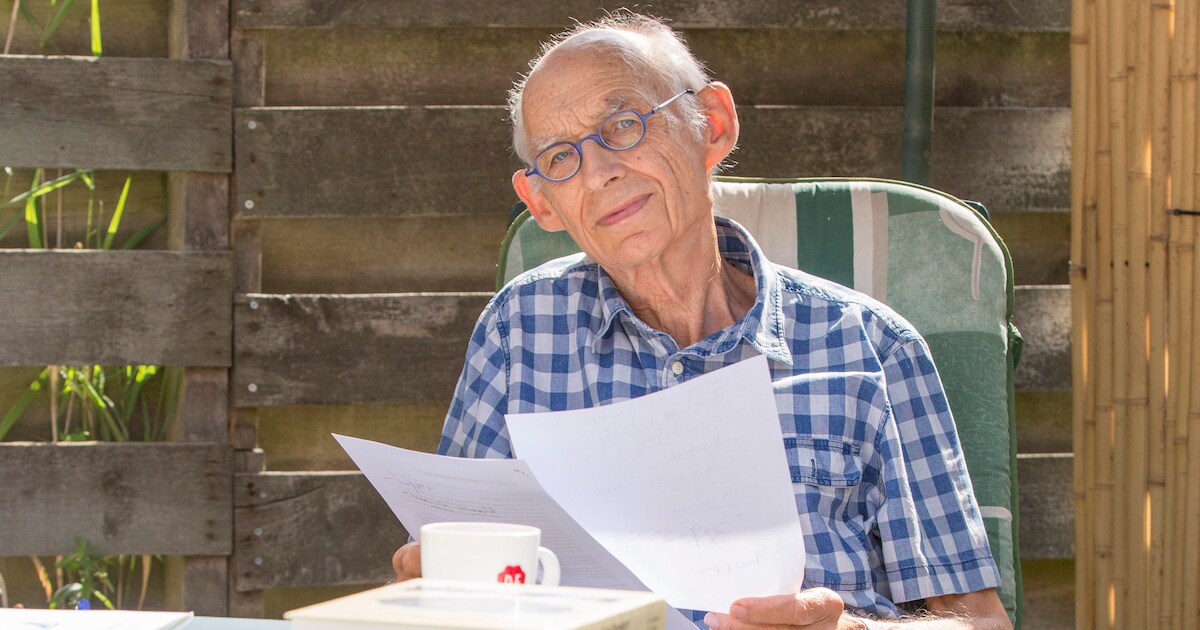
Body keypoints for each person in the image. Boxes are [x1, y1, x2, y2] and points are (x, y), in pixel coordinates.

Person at [392, 12, 1012, 630]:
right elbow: (451, 570)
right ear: (541, 203)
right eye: (560, 159)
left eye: (624, 126)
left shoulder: (872, 346)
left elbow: (981, 623)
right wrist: (433, 593)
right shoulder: (519, 330)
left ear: (712, 125)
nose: (600, 172)